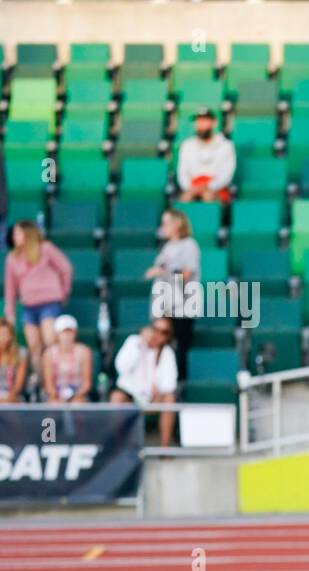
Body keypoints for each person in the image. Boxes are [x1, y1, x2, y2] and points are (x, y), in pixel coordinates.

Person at [4, 220, 73, 380]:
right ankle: (42, 382)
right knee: (34, 348)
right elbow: (10, 289)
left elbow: (66, 268)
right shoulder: (12, 259)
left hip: (49, 303)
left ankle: (55, 380)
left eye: (18, 233)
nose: (15, 237)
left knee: (50, 342)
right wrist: (10, 314)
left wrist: (63, 292)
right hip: (29, 306)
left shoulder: (46, 249)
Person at [147, 209, 202, 382]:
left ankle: (179, 386)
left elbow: (186, 275)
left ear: (177, 224)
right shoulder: (168, 247)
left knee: (179, 349)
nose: (163, 227)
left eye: (166, 222)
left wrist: (162, 271)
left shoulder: (189, 245)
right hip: (166, 305)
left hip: (182, 306)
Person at [110, 319, 179, 446]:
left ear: (168, 336)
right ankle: (117, 447)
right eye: (155, 330)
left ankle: (165, 448)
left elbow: (170, 384)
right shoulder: (134, 341)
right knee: (116, 397)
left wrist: (158, 394)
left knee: (170, 398)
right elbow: (122, 367)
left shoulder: (167, 353)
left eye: (164, 332)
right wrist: (141, 344)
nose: (158, 334)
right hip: (130, 395)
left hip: (154, 398)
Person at [176, 108, 236, 204]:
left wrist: (209, 186)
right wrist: (191, 188)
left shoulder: (226, 146)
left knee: (208, 197)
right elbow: (182, 172)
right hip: (192, 188)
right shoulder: (187, 145)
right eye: (198, 121)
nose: (201, 125)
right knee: (185, 198)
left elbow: (226, 175)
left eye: (204, 121)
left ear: (214, 123)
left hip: (216, 189)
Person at [41, 315, 94, 404]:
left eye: (70, 332)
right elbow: (49, 384)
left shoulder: (84, 351)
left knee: (78, 405)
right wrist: (57, 395)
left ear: (75, 333)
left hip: (78, 393)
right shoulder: (48, 353)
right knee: (55, 404)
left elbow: (86, 383)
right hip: (56, 394)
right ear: (57, 334)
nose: (67, 336)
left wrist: (76, 395)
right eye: (63, 332)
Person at [0, 320, 29, 403]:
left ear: (11, 336)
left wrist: (9, 398)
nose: (3, 337)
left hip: (12, 396)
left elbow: (18, 385)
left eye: (6, 333)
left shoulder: (21, 353)